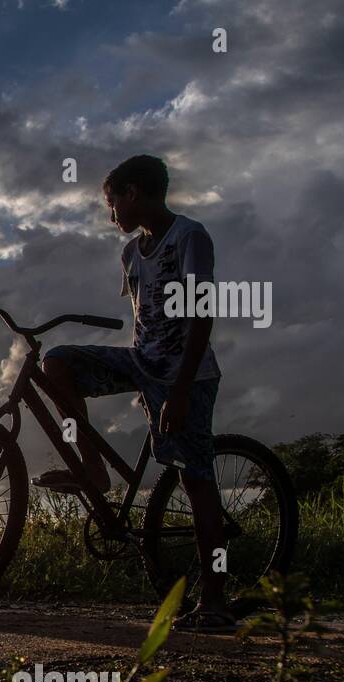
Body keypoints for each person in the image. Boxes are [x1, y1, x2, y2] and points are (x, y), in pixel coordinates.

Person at [36, 154, 231, 629]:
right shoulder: (130, 254)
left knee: (196, 481)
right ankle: (94, 469)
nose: (111, 216)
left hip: (186, 374)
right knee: (56, 362)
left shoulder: (189, 238)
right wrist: (138, 377)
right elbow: (146, 322)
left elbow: (201, 316)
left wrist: (180, 391)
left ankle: (216, 601)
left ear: (132, 193)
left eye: (111, 204)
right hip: (143, 364)